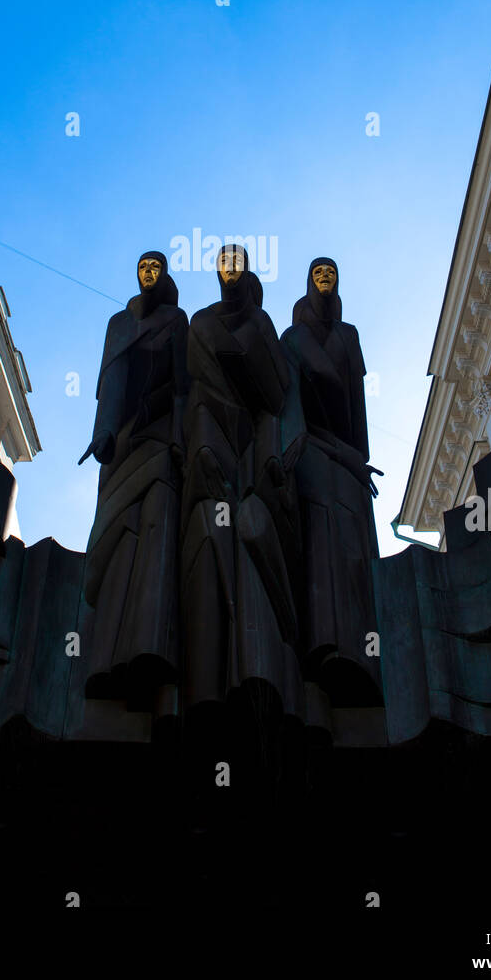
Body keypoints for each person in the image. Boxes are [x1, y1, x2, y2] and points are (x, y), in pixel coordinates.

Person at [180, 244, 304, 724]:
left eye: (237, 263)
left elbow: (277, 394)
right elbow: (196, 392)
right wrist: (204, 446)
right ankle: (209, 680)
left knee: (254, 536)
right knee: (212, 537)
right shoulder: (200, 323)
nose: (229, 270)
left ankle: (262, 670)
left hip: (256, 450)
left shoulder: (263, 323)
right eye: (222, 263)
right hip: (212, 445)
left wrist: (273, 455)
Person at [79, 250, 188, 705]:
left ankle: (150, 646)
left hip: (162, 439)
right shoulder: (118, 325)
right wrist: (103, 433)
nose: (148, 273)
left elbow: (185, 385)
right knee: (119, 534)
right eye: (142, 267)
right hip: (122, 447)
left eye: (155, 268)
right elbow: (111, 383)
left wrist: (180, 440)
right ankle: (105, 658)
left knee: (157, 525)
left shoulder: (177, 320)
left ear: (165, 277)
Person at [281, 257, 382, 707]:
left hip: (347, 457)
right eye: (319, 273)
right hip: (310, 451)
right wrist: (294, 442)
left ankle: (362, 651)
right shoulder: (293, 339)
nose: (326, 279)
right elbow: (287, 400)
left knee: (354, 548)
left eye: (332, 274)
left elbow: (358, 400)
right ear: (308, 283)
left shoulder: (349, 335)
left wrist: (361, 458)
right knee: (319, 542)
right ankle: (321, 645)